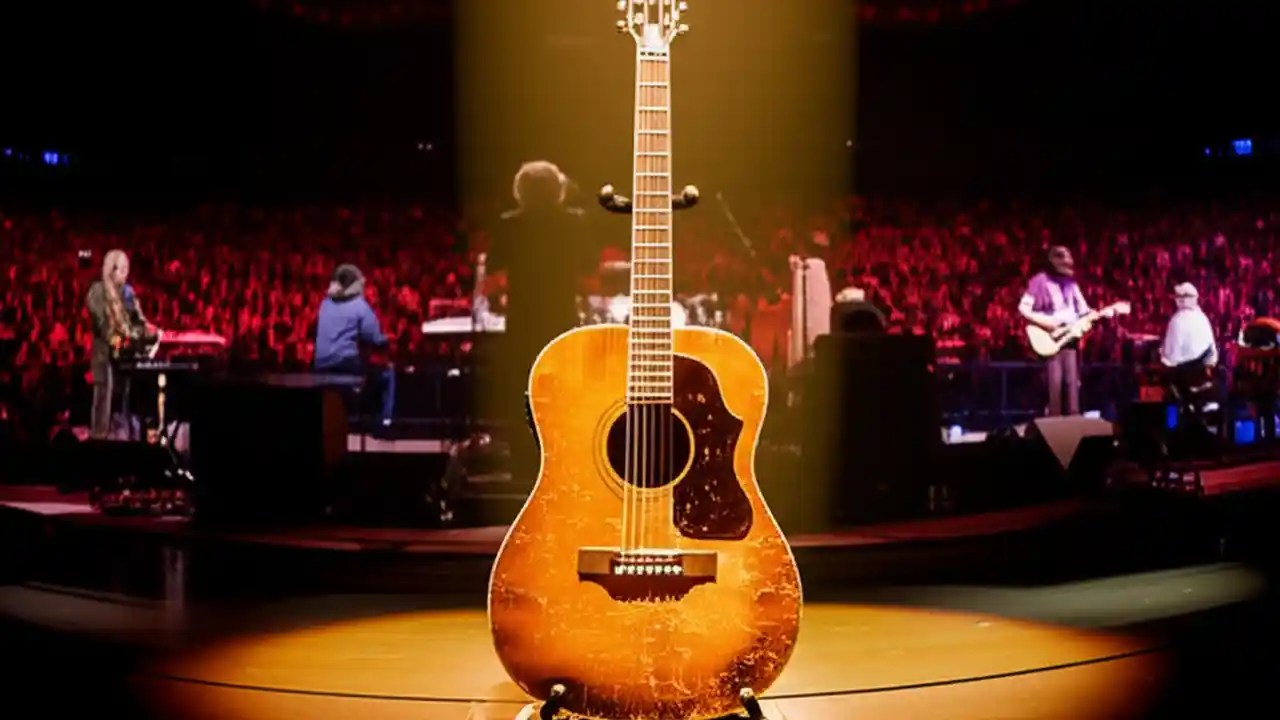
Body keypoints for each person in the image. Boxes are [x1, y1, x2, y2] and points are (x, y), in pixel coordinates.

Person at [482, 160, 604, 481]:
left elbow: (493, 267)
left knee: (523, 391)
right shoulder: (574, 223)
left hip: (522, 320)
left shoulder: (509, 224)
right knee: (562, 392)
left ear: (520, 190)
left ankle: (522, 466)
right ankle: (562, 465)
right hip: (560, 317)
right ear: (557, 189)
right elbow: (591, 267)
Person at [313, 263, 394, 431]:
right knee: (387, 372)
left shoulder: (324, 304)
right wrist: (388, 338)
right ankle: (383, 424)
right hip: (345, 365)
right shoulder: (359, 305)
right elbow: (375, 339)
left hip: (320, 365)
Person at [85, 249, 154, 439]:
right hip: (104, 354)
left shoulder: (128, 292)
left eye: (127, 269)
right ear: (110, 270)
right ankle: (99, 436)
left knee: (126, 392)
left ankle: (124, 434)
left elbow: (139, 320)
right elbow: (102, 324)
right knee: (104, 392)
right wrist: (123, 338)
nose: (126, 274)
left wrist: (147, 331)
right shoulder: (97, 291)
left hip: (125, 353)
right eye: (122, 270)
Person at [1018, 245, 1091, 416]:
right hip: (1051, 338)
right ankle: (1054, 419)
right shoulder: (1039, 281)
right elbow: (1023, 307)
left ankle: (1074, 419)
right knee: (1055, 382)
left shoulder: (1071, 283)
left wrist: (1088, 319)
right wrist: (1047, 322)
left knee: (1072, 382)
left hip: (1070, 339)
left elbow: (1084, 310)